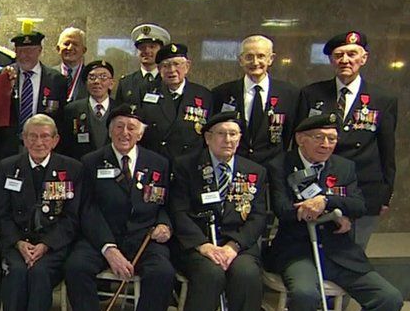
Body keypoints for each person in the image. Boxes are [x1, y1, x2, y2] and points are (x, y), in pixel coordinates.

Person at [268, 113, 402, 311]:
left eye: (332, 138)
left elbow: (358, 204)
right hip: (298, 248)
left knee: (388, 298)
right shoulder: (280, 165)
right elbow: (281, 208)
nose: (326, 144)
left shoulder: (345, 166)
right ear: (301, 139)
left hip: (341, 252)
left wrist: (327, 202)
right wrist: (322, 214)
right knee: (304, 294)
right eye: (319, 137)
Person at [65, 105, 173, 311]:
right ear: (110, 129)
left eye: (131, 127)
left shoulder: (159, 162)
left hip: (144, 239)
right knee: (76, 267)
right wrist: (108, 248)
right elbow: (86, 209)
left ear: (141, 133)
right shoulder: (90, 161)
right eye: (119, 126)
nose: (125, 132)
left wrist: (165, 225)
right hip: (101, 237)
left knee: (162, 274)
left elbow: (165, 205)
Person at [169, 112, 268, 311]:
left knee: (248, 277)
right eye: (222, 134)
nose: (228, 139)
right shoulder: (187, 166)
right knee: (209, 276)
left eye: (234, 134)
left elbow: (258, 217)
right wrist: (203, 246)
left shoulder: (255, 172)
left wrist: (233, 247)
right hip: (199, 246)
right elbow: (179, 211)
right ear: (208, 137)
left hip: (238, 246)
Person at [0, 114, 81, 311]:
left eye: (45, 136)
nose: (38, 142)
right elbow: (2, 214)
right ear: (23, 138)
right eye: (32, 136)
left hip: (51, 246)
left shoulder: (72, 169)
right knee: (17, 274)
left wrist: (45, 245)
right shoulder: (8, 166)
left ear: (55, 140)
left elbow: (72, 218)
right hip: (17, 242)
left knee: (40, 275)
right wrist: (19, 243)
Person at [297, 31, 396, 250]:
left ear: (364, 58)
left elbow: (387, 151)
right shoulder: (311, 94)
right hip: (317, 187)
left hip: (362, 189)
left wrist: (385, 195)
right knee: (315, 251)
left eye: (352, 54)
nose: (345, 60)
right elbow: (299, 144)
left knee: (354, 254)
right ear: (331, 60)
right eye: (339, 55)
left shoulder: (383, 99)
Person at [211, 35, 298, 167]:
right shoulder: (221, 93)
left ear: (271, 59)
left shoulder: (289, 94)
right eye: (249, 57)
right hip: (234, 167)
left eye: (261, 56)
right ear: (241, 60)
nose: (255, 62)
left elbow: (290, 134)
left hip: (272, 170)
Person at [138, 43, 213, 162]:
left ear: (187, 66)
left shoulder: (204, 95)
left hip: (190, 165)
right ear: (159, 69)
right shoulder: (144, 92)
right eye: (166, 66)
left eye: (177, 64)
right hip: (156, 162)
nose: (172, 70)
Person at [0, 31, 66, 159]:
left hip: (43, 146)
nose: (25, 55)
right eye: (21, 51)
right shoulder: (5, 76)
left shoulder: (56, 80)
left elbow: (61, 118)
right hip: (10, 147)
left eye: (30, 50)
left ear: (40, 50)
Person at [60, 60, 117, 159]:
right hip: (81, 167)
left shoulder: (120, 110)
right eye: (92, 77)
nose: (97, 82)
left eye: (103, 77)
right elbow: (65, 145)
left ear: (111, 83)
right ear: (86, 83)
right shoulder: (72, 110)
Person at [115, 23, 170, 106]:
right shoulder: (126, 83)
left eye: (152, 47)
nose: (147, 51)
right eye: (142, 47)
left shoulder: (169, 80)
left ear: (161, 51)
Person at [53, 27, 88, 102]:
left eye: (75, 44)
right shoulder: (48, 75)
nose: (70, 48)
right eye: (66, 43)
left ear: (84, 50)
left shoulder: (90, 76)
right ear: (58, 49)